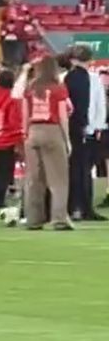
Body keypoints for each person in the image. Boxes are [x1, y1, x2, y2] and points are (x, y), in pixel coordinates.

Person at [24, 56, 72, 231]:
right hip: (52, 130)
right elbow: (62, 116)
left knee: (34, 179)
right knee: (58, 178)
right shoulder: (58, 88)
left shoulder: (30, 88)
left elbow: (25, 113)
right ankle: (59, 218)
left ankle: (33, 218)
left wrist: (26, 133)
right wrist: (67, 139)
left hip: (33, 131)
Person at [64, 45, 103, 221]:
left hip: (71, 128)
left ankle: (74, 207)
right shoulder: (93, 79)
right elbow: (99, 105)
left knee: (74, 169)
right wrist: (97, 126)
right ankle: (84, 207)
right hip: (87, 129)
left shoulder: (66, 78)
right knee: (84, 170)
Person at [0, 68, 23, 212]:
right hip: (7, 138)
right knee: (5, 171)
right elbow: (14, 121)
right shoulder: (11, 99)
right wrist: (20, 137)